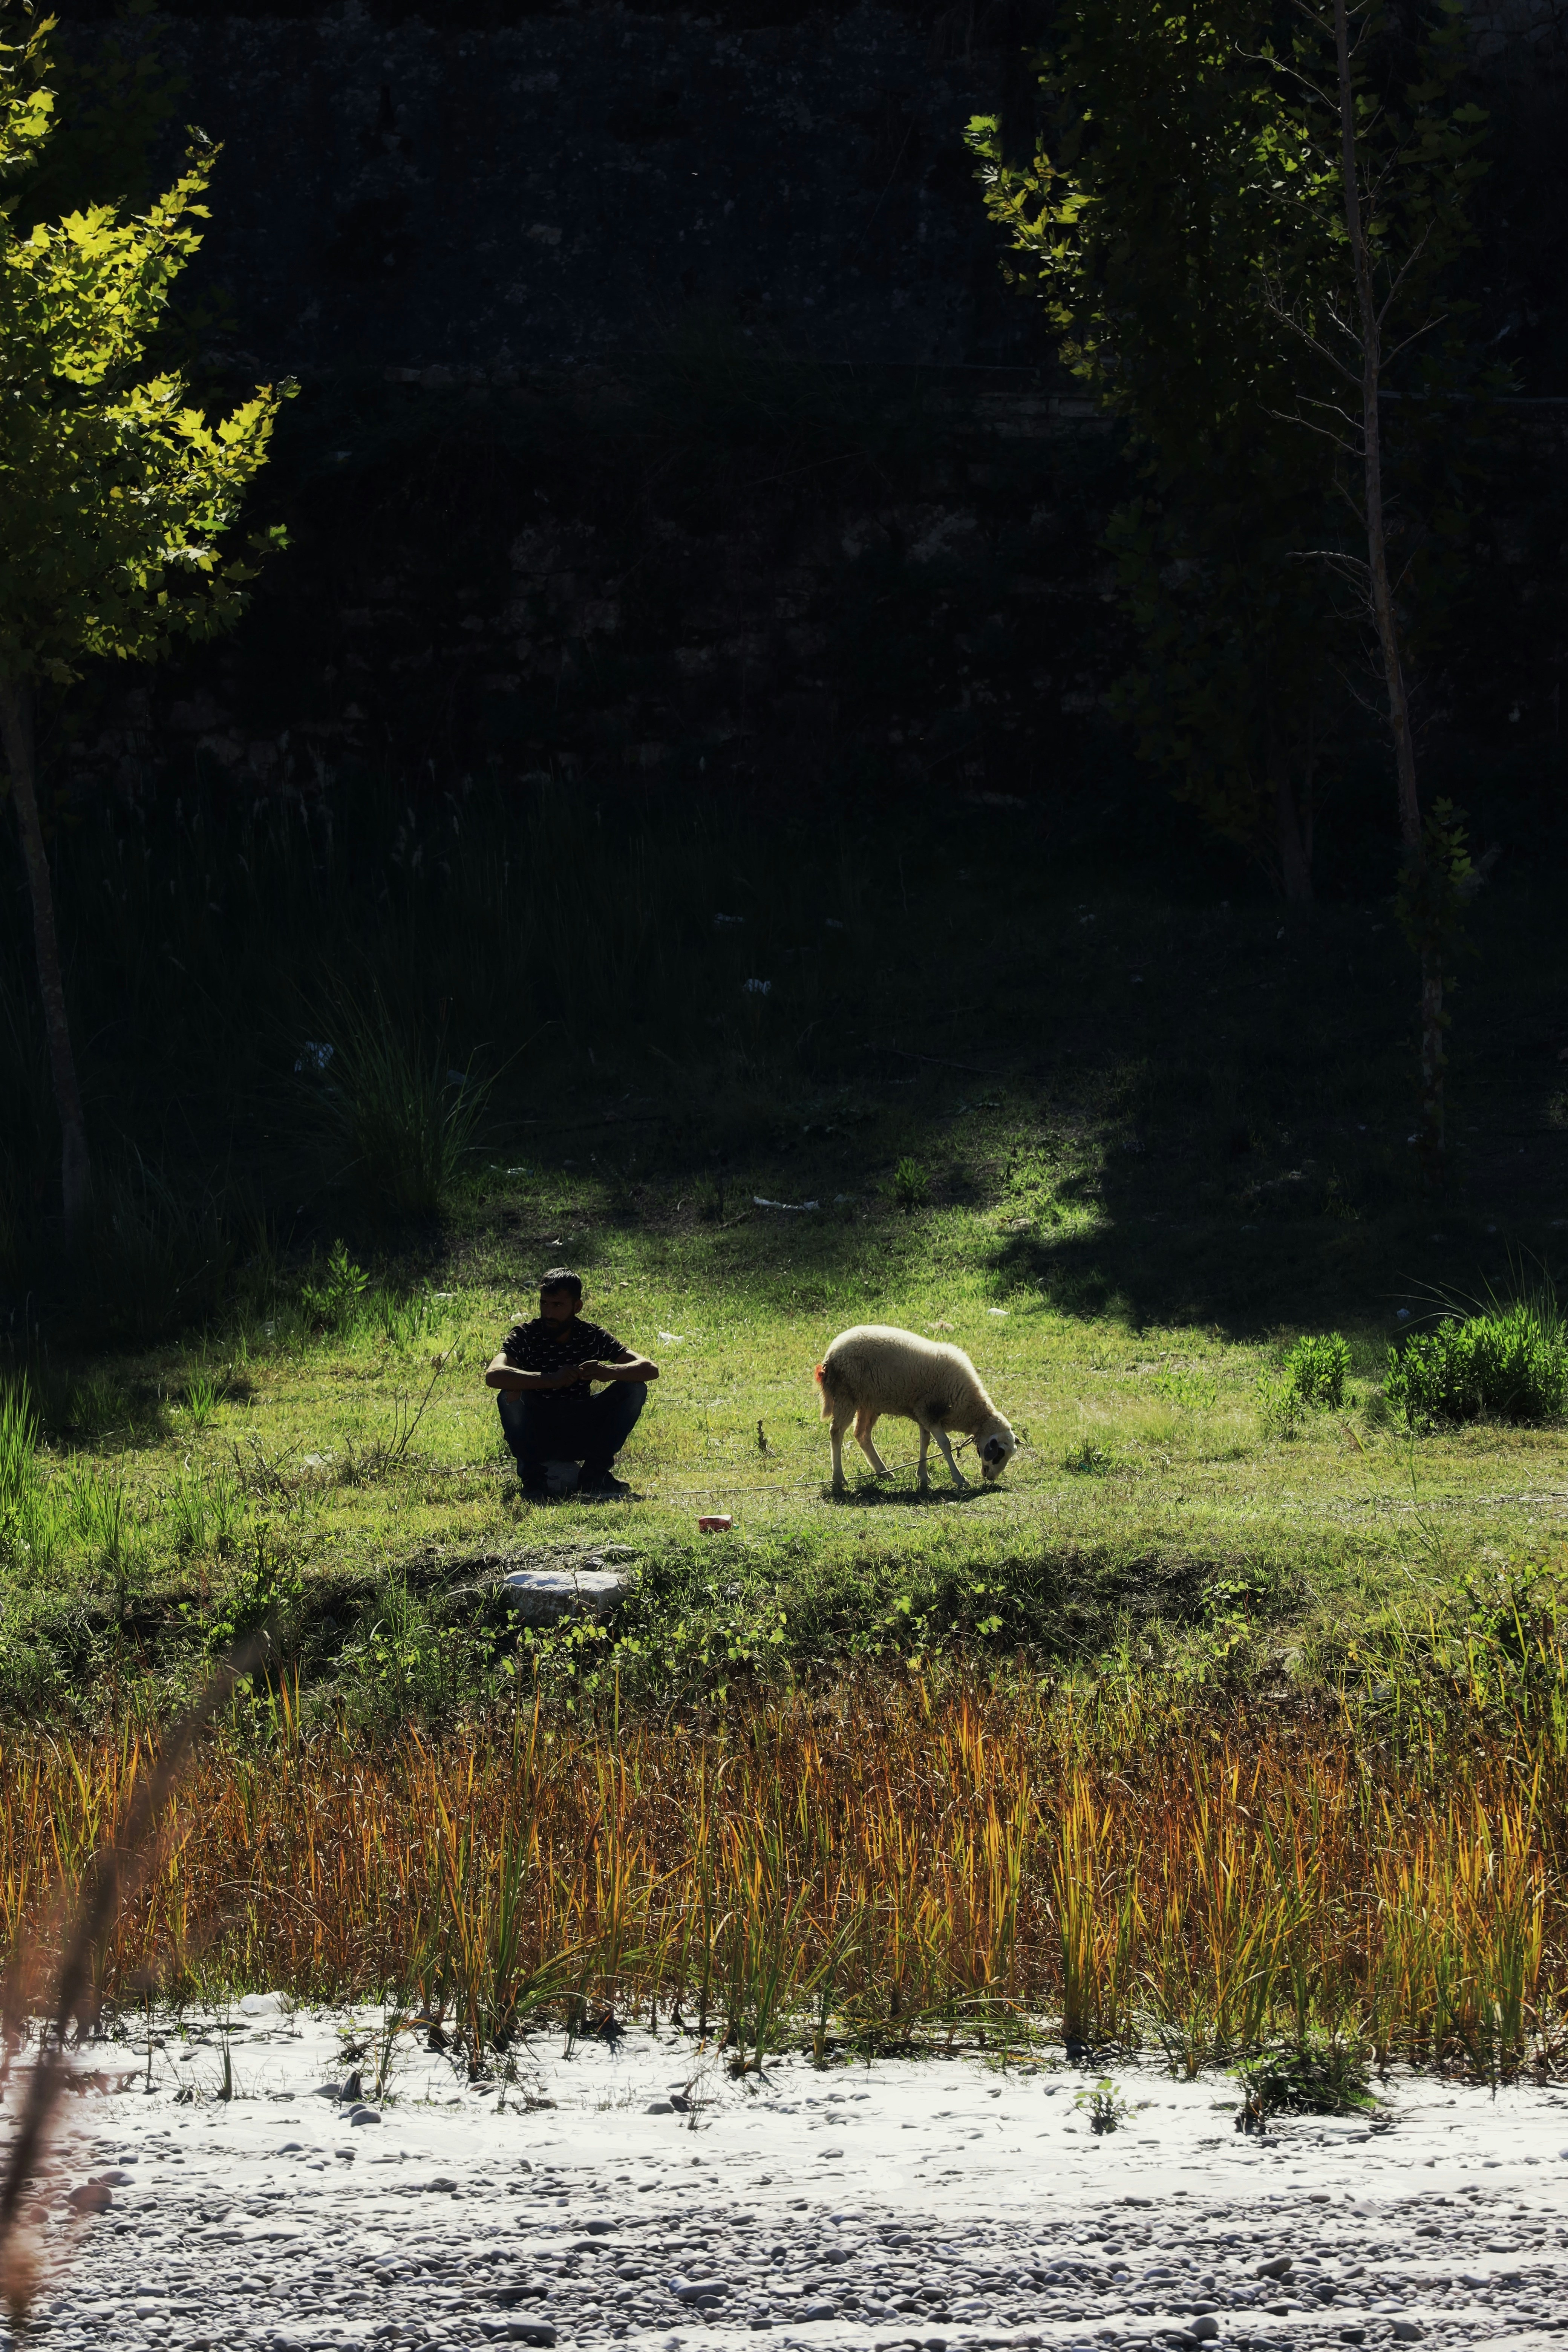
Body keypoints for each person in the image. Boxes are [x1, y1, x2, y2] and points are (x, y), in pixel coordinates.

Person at [484, 1268, 659, 1500]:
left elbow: (650, 1369)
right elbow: (494, 1374)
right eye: (544, 1303)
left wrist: (607, 1372)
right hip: (540, 1429)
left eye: (557, 1305)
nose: (548, 1312)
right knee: (510, 1394)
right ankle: (533, 1481)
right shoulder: (527, 1335)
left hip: (582, 1426)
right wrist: (548, 1380)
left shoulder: (590, 1335)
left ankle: (595, 1475)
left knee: (635, 1388)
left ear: (577, 1307)